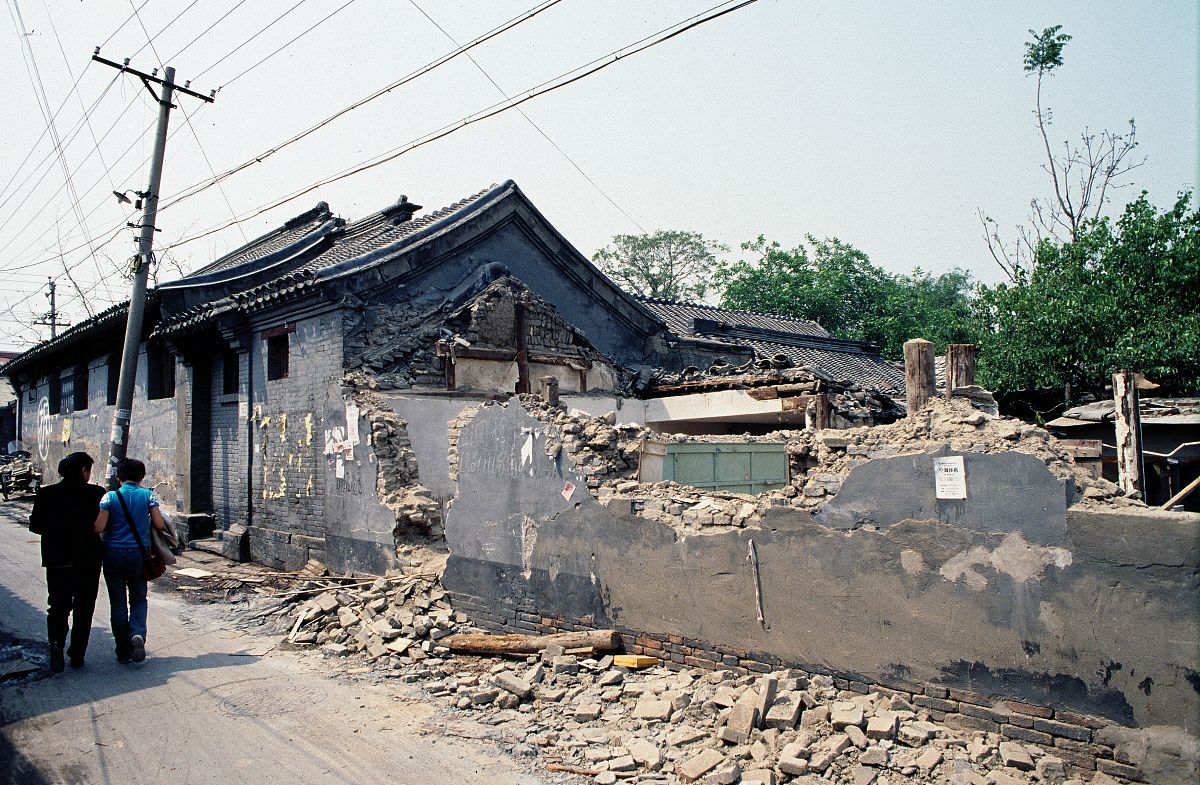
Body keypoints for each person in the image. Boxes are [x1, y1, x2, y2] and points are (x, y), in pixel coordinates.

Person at [28, 452, 106, 672]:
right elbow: (102, 525)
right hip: (88, 560)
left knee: (58, 607)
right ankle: (78, 653)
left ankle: (56, 644)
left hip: (57, 560)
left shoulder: (46, 494)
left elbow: (35, 526)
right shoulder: (97, 493)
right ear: (83, 471)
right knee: (84, 606)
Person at [94, 458, 165, 664]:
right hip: (138, 556)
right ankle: (137, 634)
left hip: (113, 555)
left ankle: (123, 650)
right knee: (138, 598)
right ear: (141, 477)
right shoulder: (148, 496)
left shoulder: (109, 497)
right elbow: (159, 524)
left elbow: (98, 528)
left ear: (119, 477)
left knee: (118, 604)